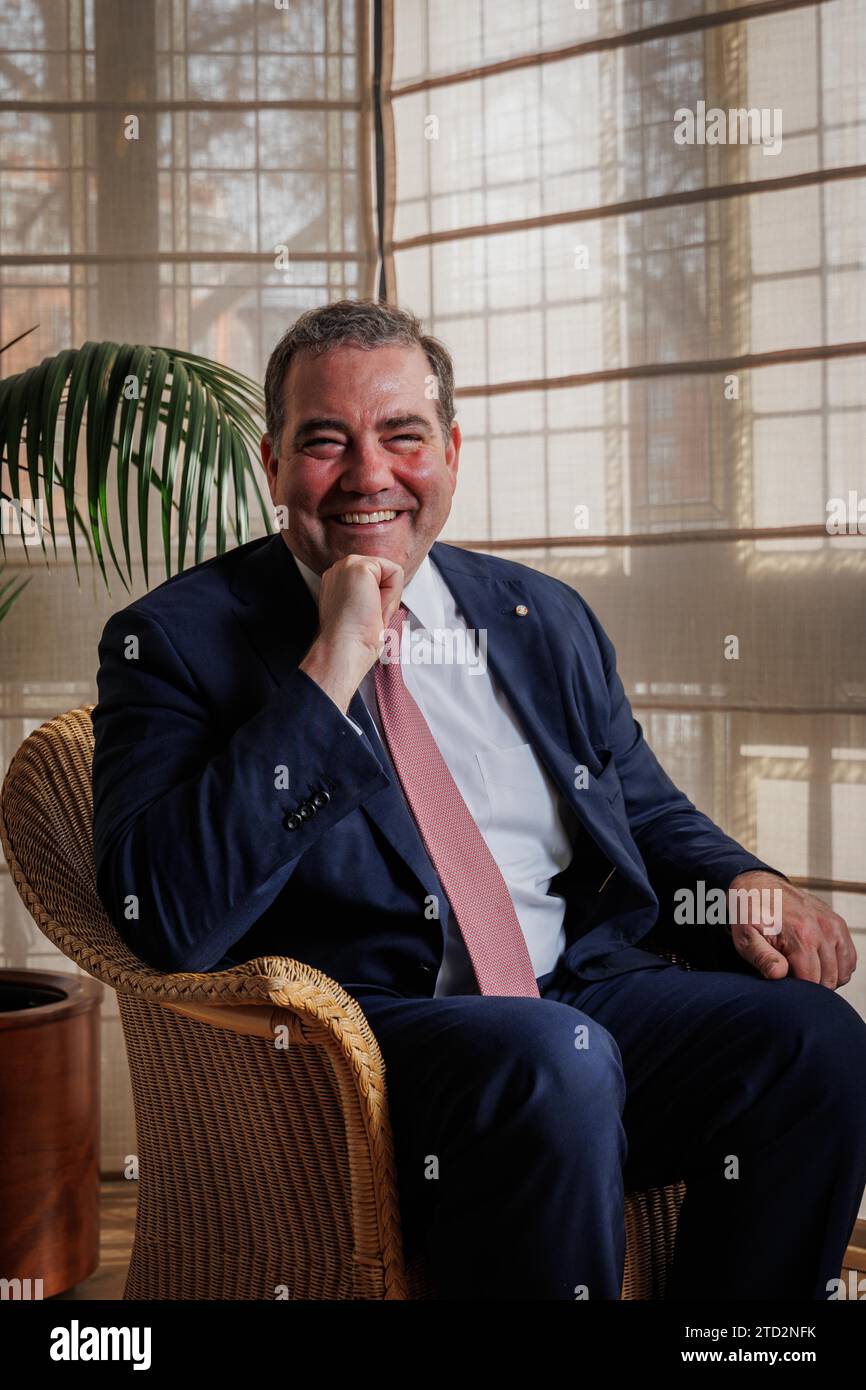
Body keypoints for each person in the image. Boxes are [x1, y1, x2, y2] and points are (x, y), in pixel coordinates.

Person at [91, 298, 866, 1301]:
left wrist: (744, 879)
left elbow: (640, 808)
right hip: (369, 1043)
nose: (369, 474)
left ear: (450, 453)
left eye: (403, 436)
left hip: (573, 997)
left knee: (815, 1044)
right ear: (272, 463)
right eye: (325, 442)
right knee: (557, 1060)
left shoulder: (541, 616)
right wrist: (331, 667)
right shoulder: (171, 641)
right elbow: (160, 913)